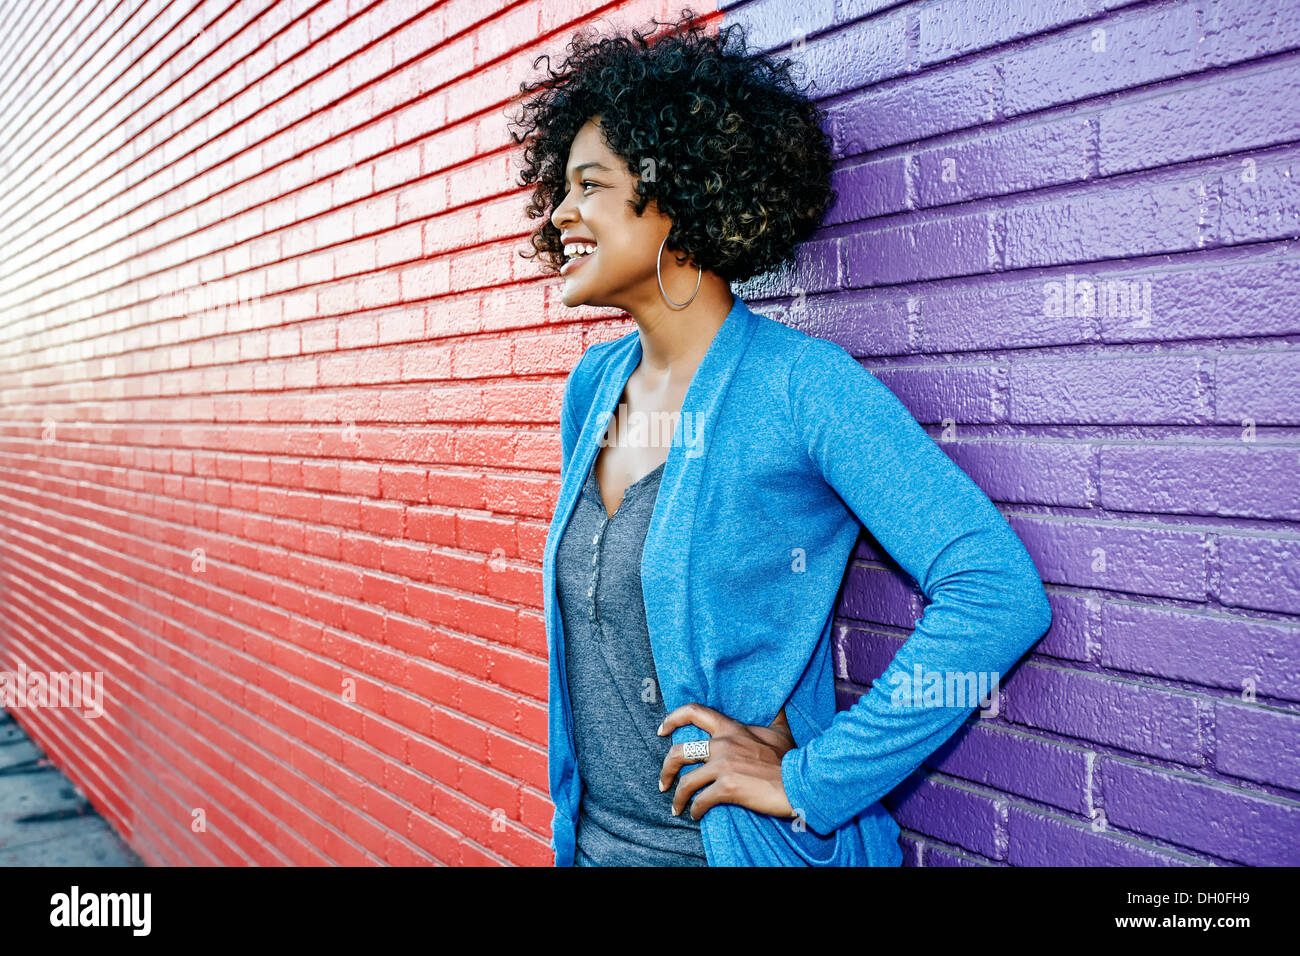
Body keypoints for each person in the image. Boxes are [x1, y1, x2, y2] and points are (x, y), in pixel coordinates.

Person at [509, 9, 1052, 867]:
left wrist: (809, 779)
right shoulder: (595, 387)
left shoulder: (802, 387)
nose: (559, 217)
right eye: (562, 188)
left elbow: (997, 592)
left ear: (677, 193)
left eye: (588, 186)